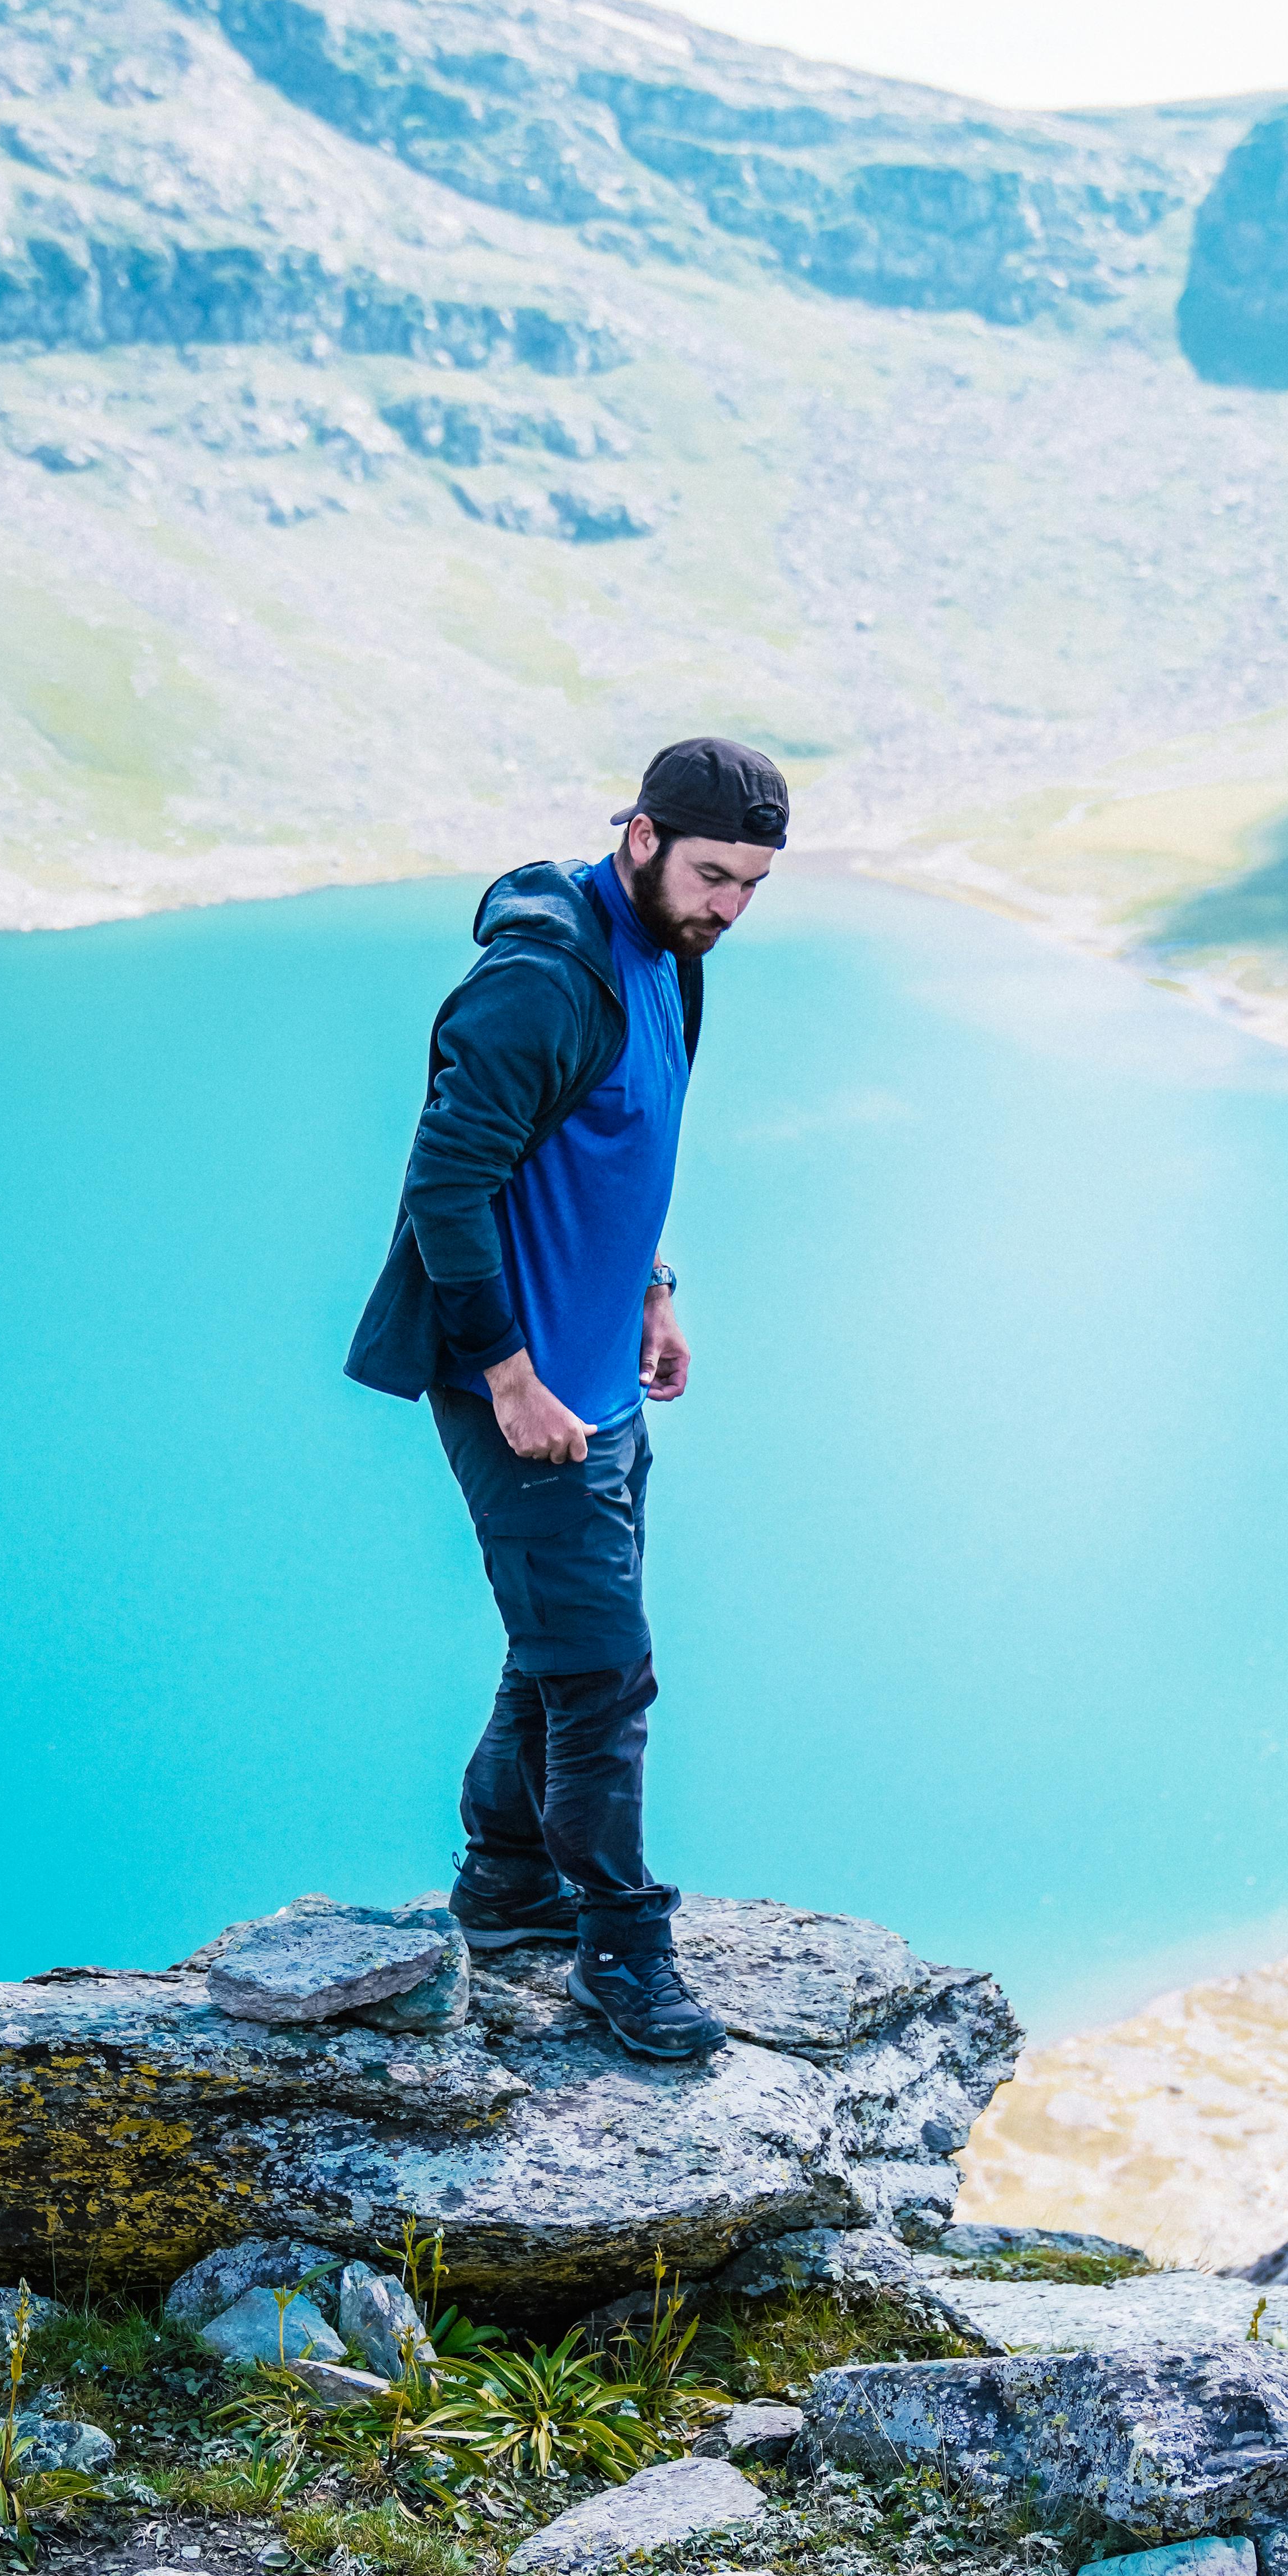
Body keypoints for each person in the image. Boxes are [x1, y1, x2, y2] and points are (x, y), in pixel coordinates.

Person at [346, 734, 788, 2062]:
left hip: (600, 1377)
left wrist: (652, 1287)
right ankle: (621, 1951)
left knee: (557, 1653)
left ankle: (503, 1885)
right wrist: (507, 1373)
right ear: (640, 836)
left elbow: (623, 1145)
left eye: (754, 886)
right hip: (520, 1389)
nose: (729, 907)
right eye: (714, 874)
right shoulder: (541, 981)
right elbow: (446, 1187)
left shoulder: (670, 962)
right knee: (604, 1679)